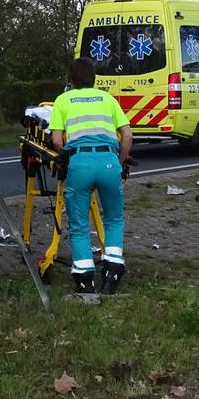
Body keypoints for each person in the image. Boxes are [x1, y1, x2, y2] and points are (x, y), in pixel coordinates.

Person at [49, 58, 133, 295]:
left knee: (79, 225)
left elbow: (56, 140)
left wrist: (65, 156)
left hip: (80, 163)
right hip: (108, 162)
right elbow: (127, 136)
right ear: (94, 79)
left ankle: (85, 279)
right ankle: (113, 271)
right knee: (114, 219)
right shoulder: (108, 99)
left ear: (70, 79)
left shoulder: (63, 100)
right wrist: (119, 161)